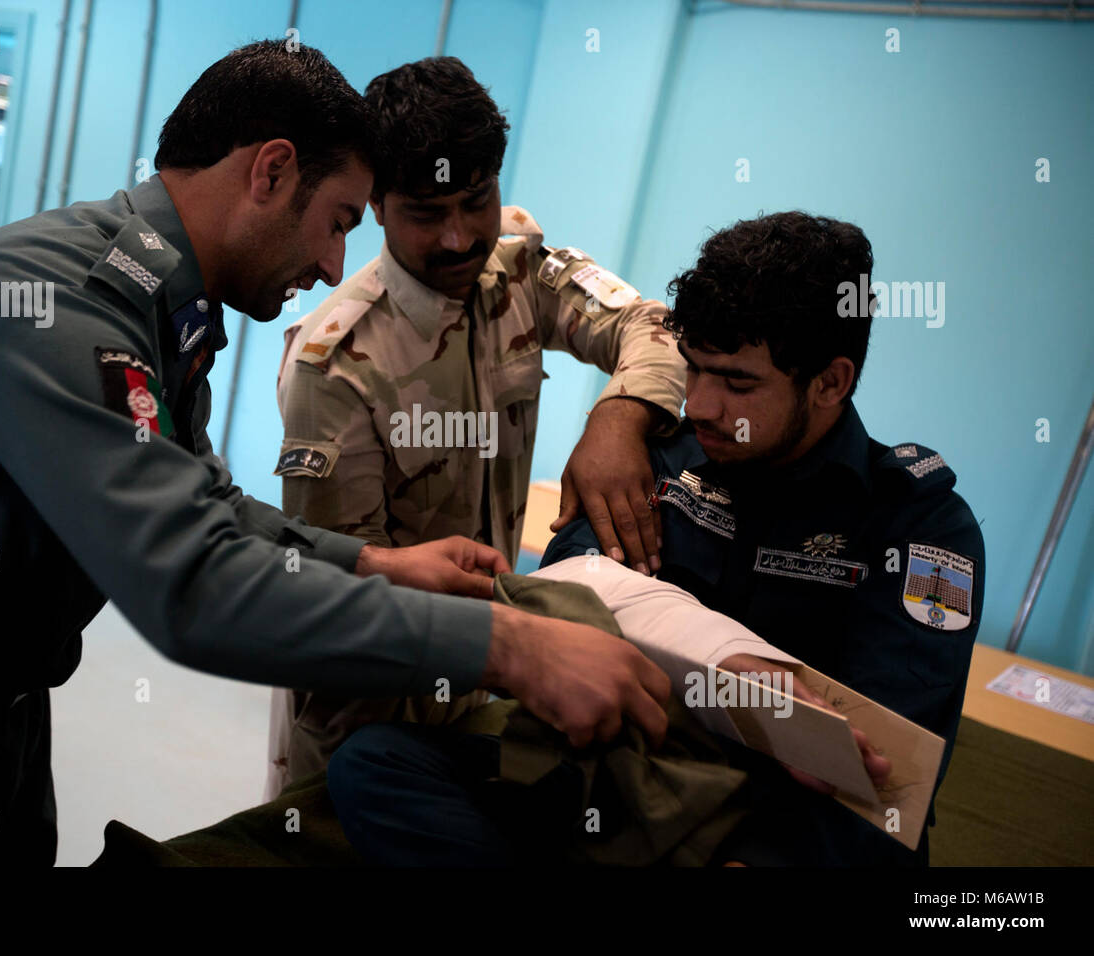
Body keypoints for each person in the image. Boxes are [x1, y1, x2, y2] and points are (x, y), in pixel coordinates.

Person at [0, 40, 670, 866]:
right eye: (335, 223)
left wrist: (368, 562)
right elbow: (191, 585)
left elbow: (201, 502)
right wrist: (508, 645)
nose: (334, 267)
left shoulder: (160, 309)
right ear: (271, 170)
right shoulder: (43, 304)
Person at [326, 211, 985, 866]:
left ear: (830, 382)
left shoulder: (923, 530)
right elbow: (561, 590)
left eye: (736, 382)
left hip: (776, 827)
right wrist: (618, 416)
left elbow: (886, 777)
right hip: (630, 784)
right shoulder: (657, 458)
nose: (699, 404)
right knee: (375, 764)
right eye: (693, 368)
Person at [267, 57, 686, 796]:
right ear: (377, 205)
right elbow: (339, 595)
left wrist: (618, 418)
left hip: (487, 690)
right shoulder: (333, 365)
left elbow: (654, 325)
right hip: (368, 721)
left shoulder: (518, 266)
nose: (461, 239)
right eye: (428, 216)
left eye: (476, 201)